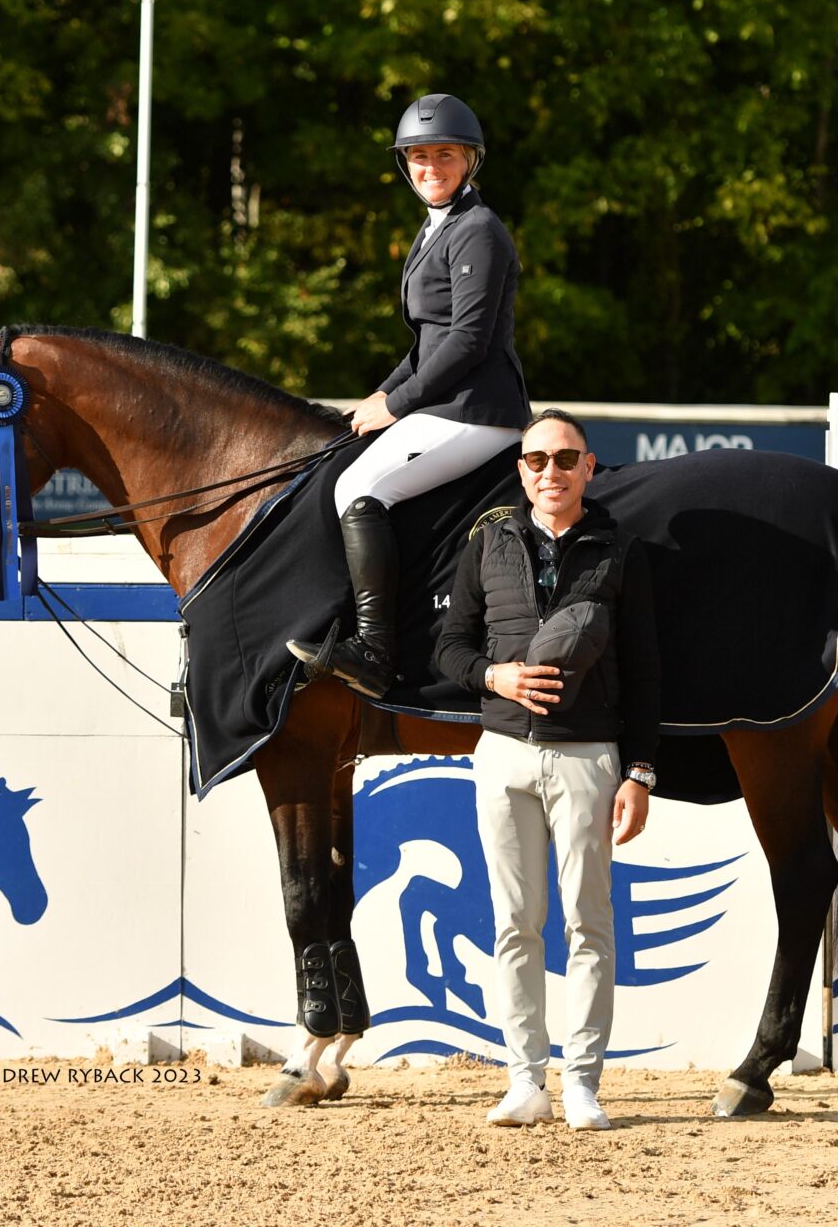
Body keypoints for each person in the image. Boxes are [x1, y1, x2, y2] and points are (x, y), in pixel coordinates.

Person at [432, 408, 660, 1132]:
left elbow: (649, 672)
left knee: (588, 925)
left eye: (566, 459)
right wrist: (495, 679)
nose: (550, 472)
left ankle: (583, 1084)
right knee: (514, 925)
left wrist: (641, 772)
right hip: (501, 756)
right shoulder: (487, 544)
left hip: (590, 758)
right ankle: (526, 1082)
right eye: (537, 460)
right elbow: (449, 649)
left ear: (589, 467)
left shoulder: (621, 550)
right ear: (521, 470)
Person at [286, 93, 530, 698]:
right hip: (445, 399)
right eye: (418, 157)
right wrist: (380, 394)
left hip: (478, 411)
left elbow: (468, 343)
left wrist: (396, 406)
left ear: (470, 160)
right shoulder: (434, 229)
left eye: (443, 155)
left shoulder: (478, 230)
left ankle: (374, 650)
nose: (430, 168)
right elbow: (427, 344)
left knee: (358, 487)